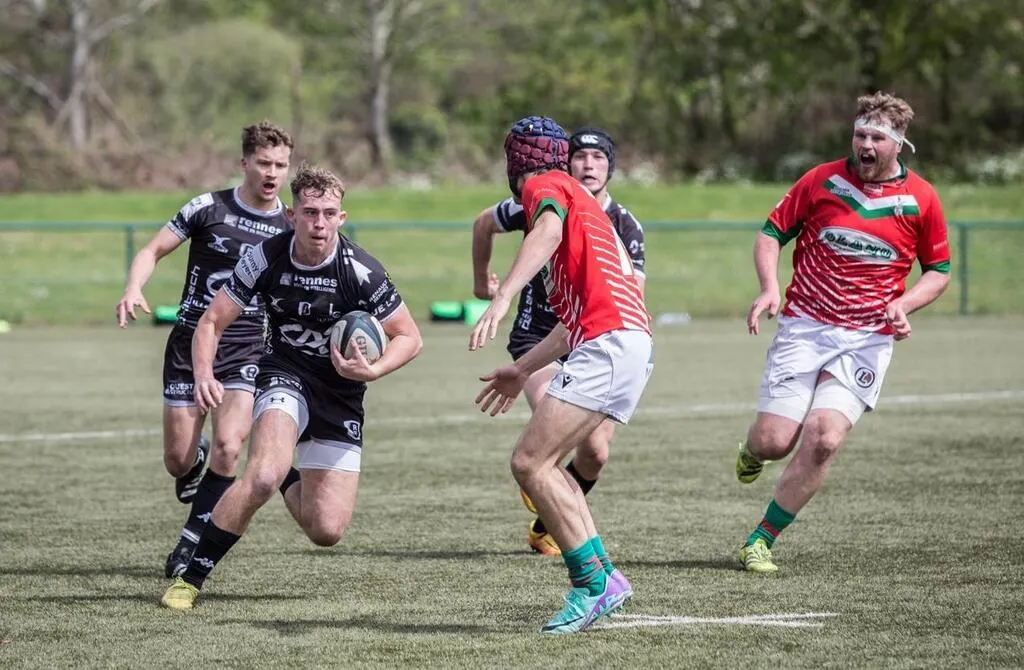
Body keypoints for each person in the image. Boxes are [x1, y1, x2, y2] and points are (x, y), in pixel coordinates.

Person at [161, 163, 423, 610]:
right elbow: (212, 321)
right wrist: (204, 373)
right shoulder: (265, 257)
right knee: (261, 474)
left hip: (340, 394)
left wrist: (374, 372)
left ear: (342, 217)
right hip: (285, 374)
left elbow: (410, 337)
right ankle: (192, 577)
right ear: (291, 215)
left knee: (326, 530)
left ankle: (289, 477)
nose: (318, 223)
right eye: (309, 212)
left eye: (328, 213)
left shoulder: (361, 271)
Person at [735, 92, 951, 573]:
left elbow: (938, 270)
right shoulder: (821, 180)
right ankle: (753, 449)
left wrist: (905, 303)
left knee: (824, 438)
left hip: (866, 338)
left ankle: (760, 540)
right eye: (859, 135)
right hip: (805, 326)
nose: (865, 144)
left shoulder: (922, 199)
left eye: (876, 137)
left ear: (899, 144)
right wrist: (770, 288)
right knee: (773, 442)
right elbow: (771, 233)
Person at [469, 116, 653, 634]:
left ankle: (588, 587)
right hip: (615, 341)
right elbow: (573, 326)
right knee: (548, 464)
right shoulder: (585, 202)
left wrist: (502, 295)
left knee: (529, 462)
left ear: (516, 161)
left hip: (610, 345)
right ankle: (607, 579)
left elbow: (544, 230)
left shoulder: (547, 188)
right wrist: (520, 368)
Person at [115, 121, 293, 578]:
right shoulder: (207, 208)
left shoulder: (289, 225)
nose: (272, 173)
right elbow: (152, 250)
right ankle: (195, 459)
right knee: (178, 459)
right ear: (244, 163)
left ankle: (190, 545)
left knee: (231, 450)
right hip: (191, 341)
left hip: (248, 346)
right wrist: (134, 286)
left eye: (281, 165)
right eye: (263, 163)